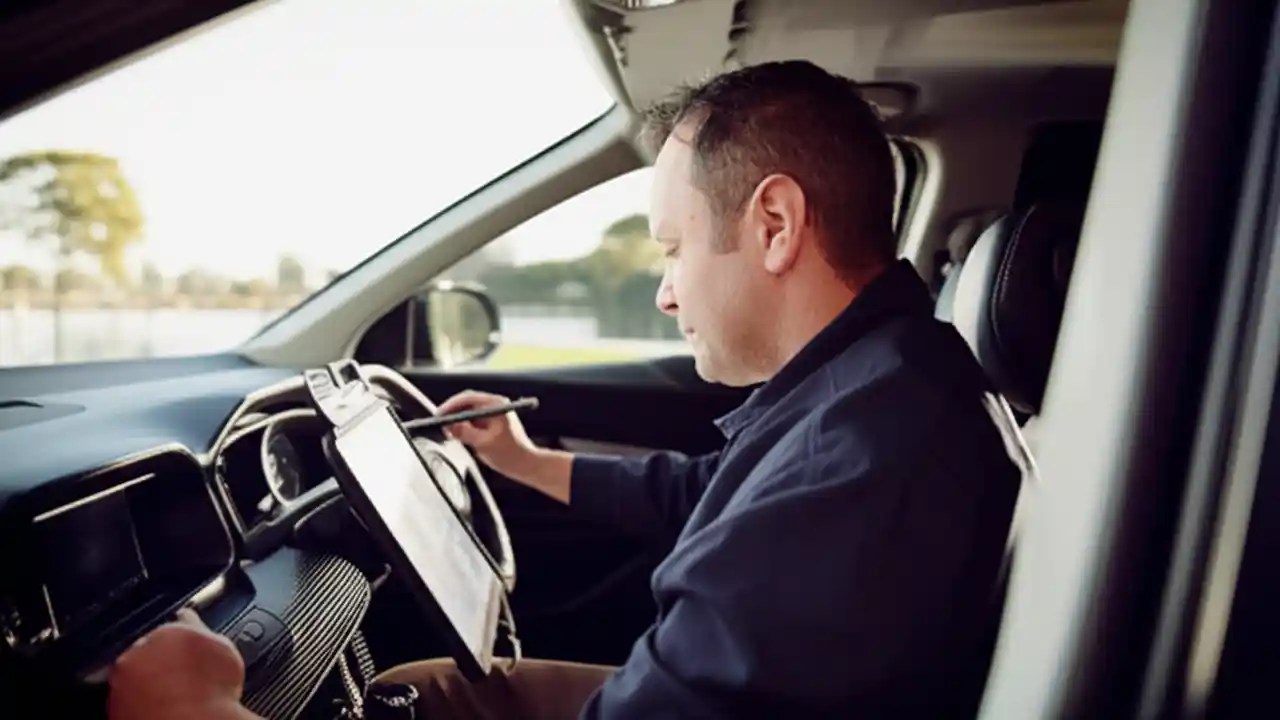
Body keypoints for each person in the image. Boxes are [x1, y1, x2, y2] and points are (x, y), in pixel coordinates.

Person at [108, 60, 1020, 719]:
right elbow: (700, 494)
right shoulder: (869, 386)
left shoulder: (859, 460)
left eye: (674, 247)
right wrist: (525, 463)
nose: (666, 289)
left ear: (775, 225)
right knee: (415, 693)